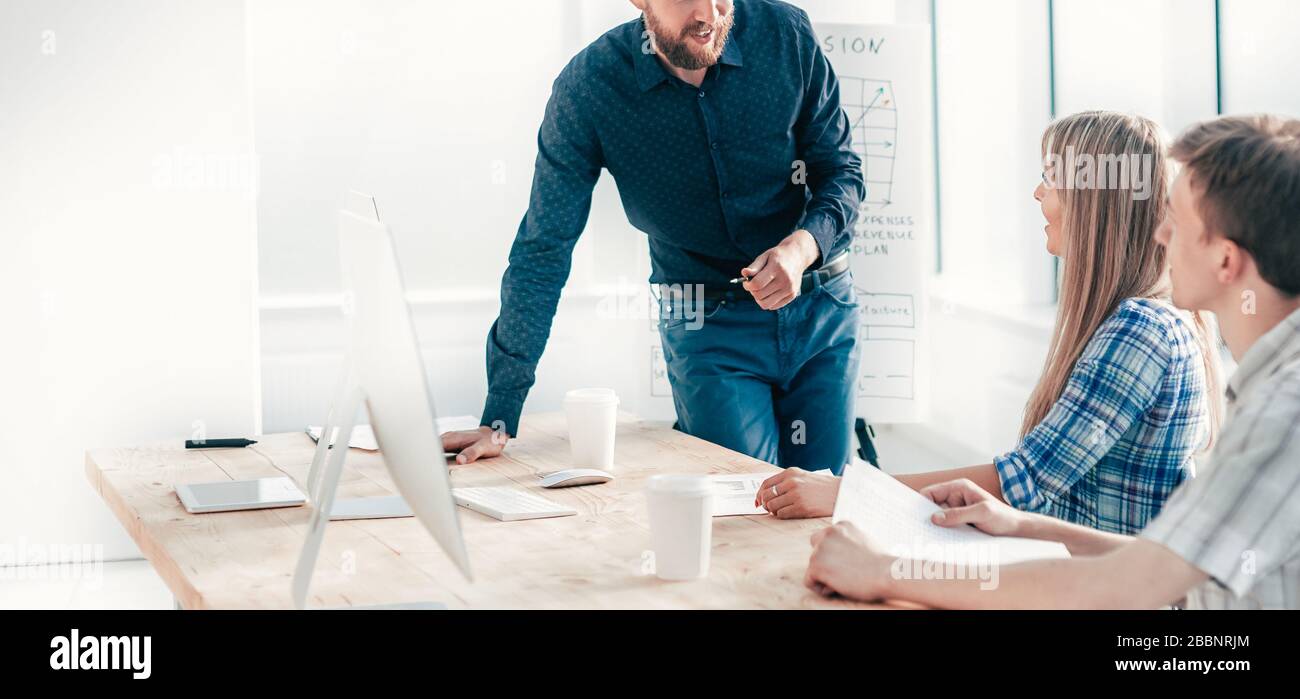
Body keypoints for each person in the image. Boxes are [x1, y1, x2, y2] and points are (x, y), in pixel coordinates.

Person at [805, 114, 1300, 609]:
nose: (1161, 232)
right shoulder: (1263, 383)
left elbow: (1129, 583)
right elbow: (1163, 561)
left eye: (1179, 222)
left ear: (1226, 261)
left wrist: (883, 572)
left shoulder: (1280, 410)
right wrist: (1023, 525)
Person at [442, 0, 866, 473]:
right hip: (707, 323)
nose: (709, 13)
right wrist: (500, 412)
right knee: (744, 502)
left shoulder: (785, 33)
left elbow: (841, 172)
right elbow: (544, 247)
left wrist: (801, 246)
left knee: (828, 506)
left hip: (821, 312)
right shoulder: (590, 87)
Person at [758, 111, 1221, 535]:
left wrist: (844, 492)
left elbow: (1023, 480)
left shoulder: (1140, 331)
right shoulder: (1149, 319)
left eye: (1050, 178)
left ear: (1096, 200)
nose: (1038, 192)